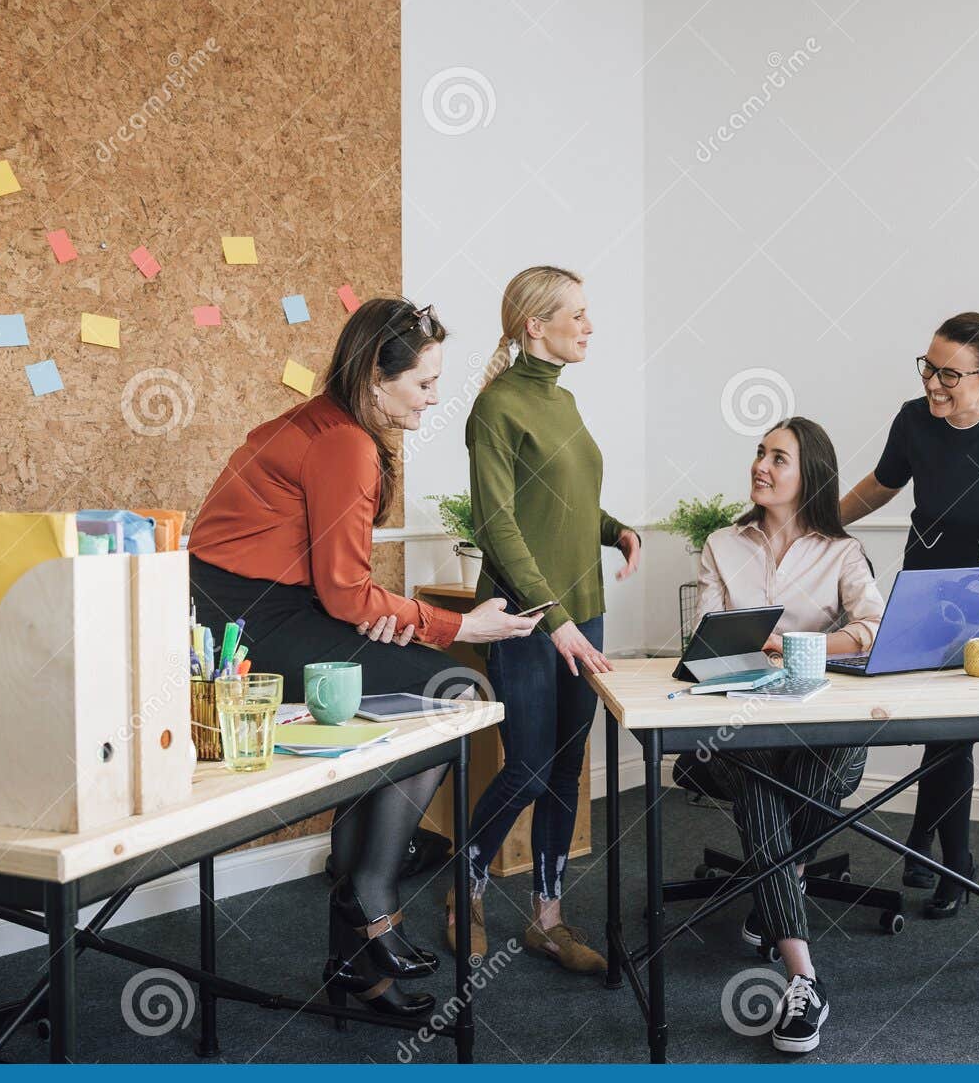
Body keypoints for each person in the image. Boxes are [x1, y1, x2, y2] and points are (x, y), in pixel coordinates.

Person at [188, 296, 539, 1021]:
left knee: (389, 714)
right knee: (455, 691)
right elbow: (348, 593)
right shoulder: (345, 442)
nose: (434, 398)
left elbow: (337, 587)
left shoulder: (321, 422)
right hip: (247, 626)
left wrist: (386, 620)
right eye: (422, 384)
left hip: (258, 609)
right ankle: (369, 891)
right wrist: (456, 622)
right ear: (375, 378)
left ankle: (360, 971)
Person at [449, 265, 640, 974]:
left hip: (581, 612)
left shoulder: (561, 400)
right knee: (527, 765)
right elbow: (496, 524)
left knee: (567, 769)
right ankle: (462, 882)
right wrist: (551, 616)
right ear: (536, 324)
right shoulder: (497, 408)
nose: (590, 325)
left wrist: (616, 528)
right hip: (524, 619)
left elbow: (566, 500)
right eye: (578, 314)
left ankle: (548, 920)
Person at [840, 311, 979, 919]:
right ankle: (931, 845)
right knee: (937, 724)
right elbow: (880, 485)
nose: (933, 383)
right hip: (928, 583)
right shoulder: (913, 419)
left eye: (950, 375)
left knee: (954, 729)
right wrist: (818, 521)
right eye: (928, 368)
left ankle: (952, 862)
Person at [695, 416, 885, 1054]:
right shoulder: (722, 544)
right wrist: (744, 652)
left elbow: (874, 628)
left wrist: (797, 644)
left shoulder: (842, 552)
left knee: (791, 778)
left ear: (810, 476)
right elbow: (706, 640)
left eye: (779, 458)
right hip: (737, 729)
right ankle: (803, 975)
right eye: (759, 454)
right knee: (757, 779)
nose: (761, 466)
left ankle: (773, 881)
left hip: (824, 736)